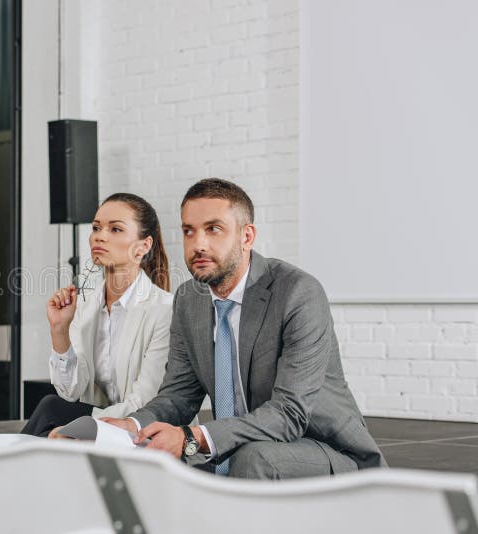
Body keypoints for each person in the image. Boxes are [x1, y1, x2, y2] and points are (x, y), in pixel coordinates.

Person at [102, 179, 386, 478]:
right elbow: (178, 395)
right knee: (148, 454)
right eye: (189, 231)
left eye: (213, 229)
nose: (198, 244)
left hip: (322, 448)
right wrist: (130, 427)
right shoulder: (189, 300)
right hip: (236, 447)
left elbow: (290, 413)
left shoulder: (297, 293)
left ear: (246, 236)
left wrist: (192, 437)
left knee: (254, 458)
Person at [21, 193, 173, 437]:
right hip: (103, 429)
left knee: (50, 413)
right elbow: (69, 392)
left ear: (143, 246)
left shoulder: (165, 310)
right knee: (52, 409)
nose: (100, 236)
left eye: (115, 229)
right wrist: (60, 330)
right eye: (96, 228)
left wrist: (80, 425)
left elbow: (145, 403)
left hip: (145, 430)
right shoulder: (85, 305)